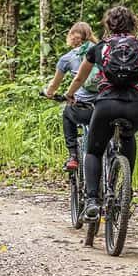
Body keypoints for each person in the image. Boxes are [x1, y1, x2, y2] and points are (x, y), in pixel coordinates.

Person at [63, 6, 138, 221]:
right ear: (133, 24)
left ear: (108, 25)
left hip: (106, 105)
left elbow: (80, 79)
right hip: (134, 106)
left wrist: (69, 94)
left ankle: (92, 200)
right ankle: (125, 191)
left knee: (94, 151)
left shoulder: (99, 48)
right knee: (128, 136)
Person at [43, 22, 101, 170]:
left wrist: (49, 93)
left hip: (84, 108)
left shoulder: (67, 58)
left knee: (67, 113)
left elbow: (54, 85)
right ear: (89, 35)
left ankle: (73, 156)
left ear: (71, 36)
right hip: (106, 104)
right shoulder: (102, 51)